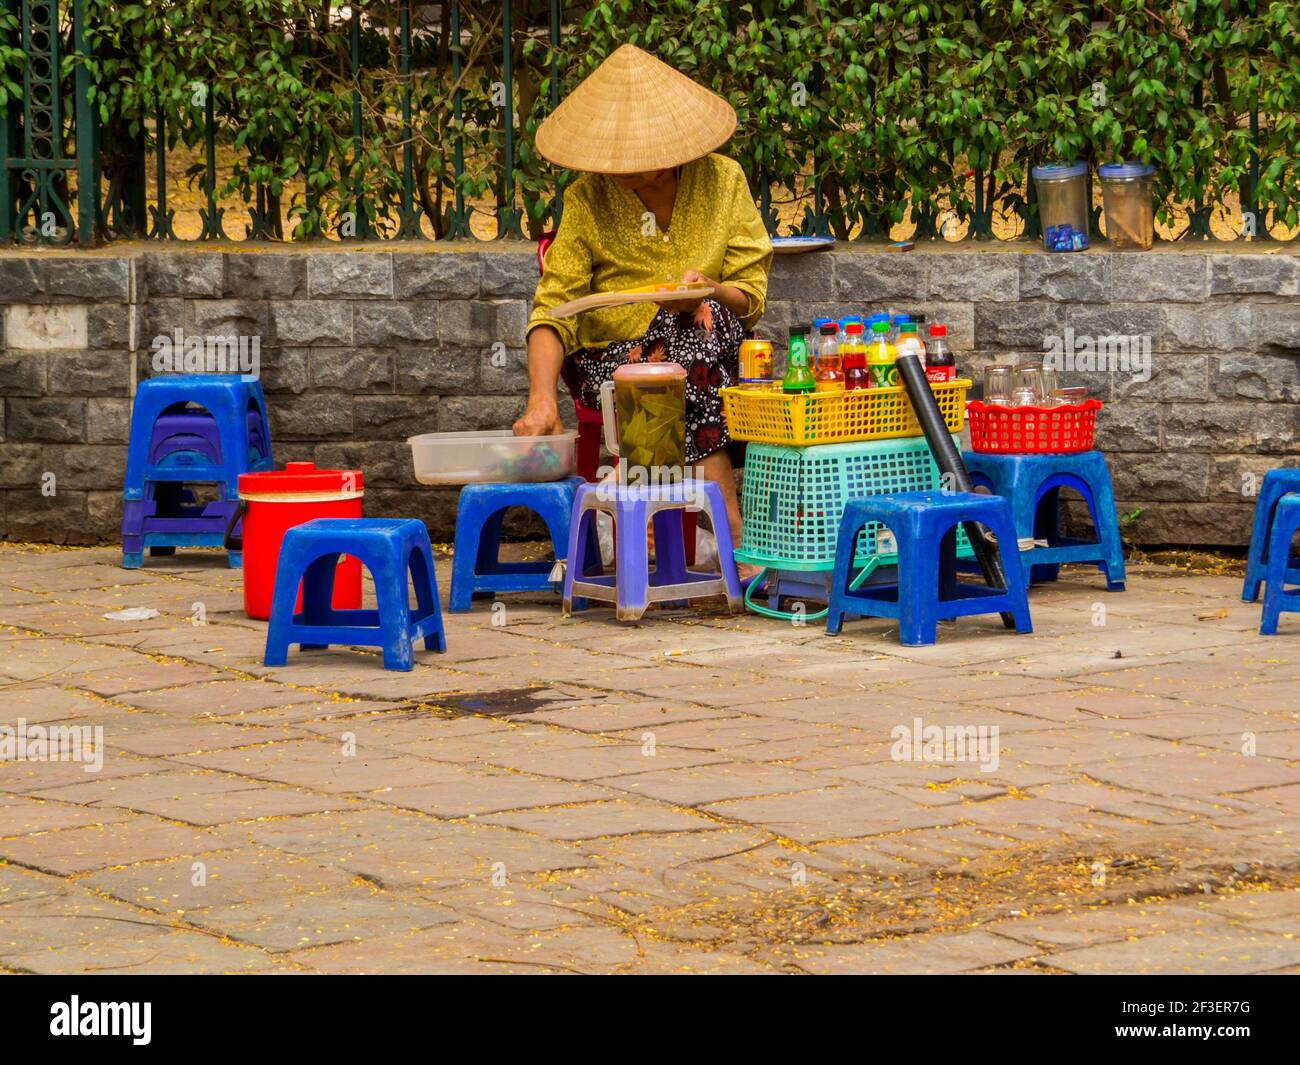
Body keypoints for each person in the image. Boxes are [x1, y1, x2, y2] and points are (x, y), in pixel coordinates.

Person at [513, 44, 772, 545]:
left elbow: (750, 297)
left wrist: (708, 290)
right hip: (616, 366)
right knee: (682, 366)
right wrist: (542, 399)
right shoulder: (586, 199)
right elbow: (553, 311)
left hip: (716, 349)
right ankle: (733, 538)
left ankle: (644, 494)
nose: (616, 165)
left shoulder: (722, 181)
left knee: (705, 322)